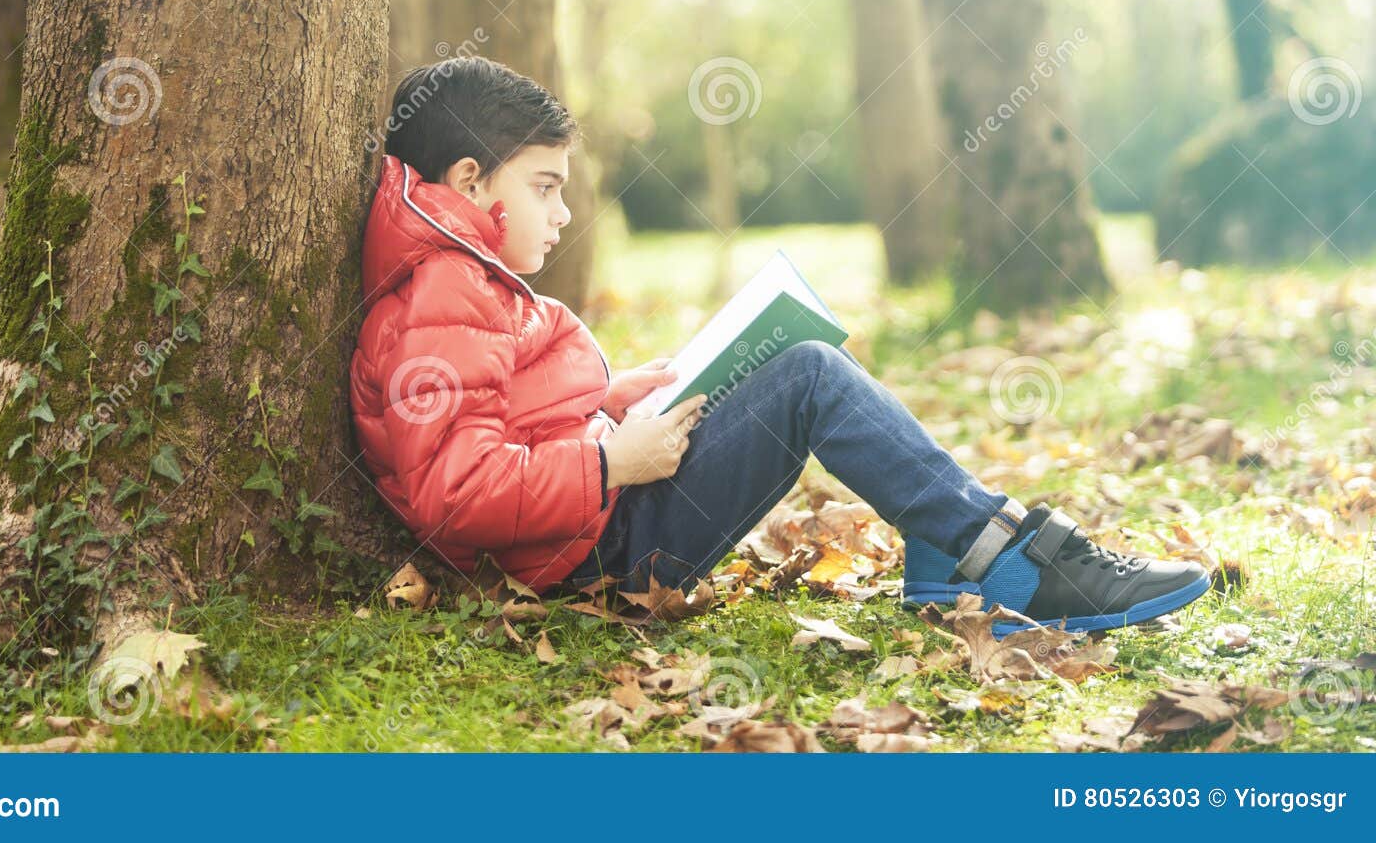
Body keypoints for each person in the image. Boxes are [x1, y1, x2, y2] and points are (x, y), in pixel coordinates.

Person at [348, 57, 1210, 633]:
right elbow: (453, 495)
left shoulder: (455, 276)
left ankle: (966, 546)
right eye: (545, 188)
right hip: (594, 558)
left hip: (593, 530)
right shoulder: (441, 291)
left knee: (790, 364)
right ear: (468, 179)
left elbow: (501, 422)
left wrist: (613, 405)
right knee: (805, 375)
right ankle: (997, 557)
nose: (563, 212)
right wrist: (611, 461)